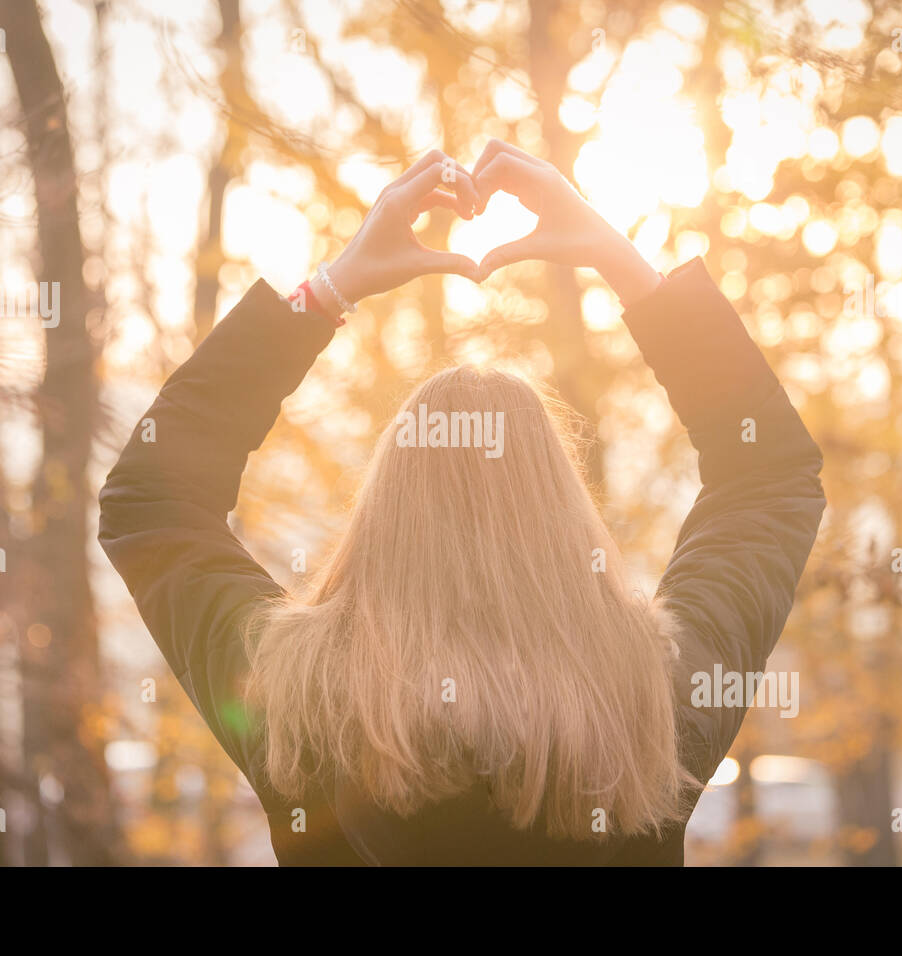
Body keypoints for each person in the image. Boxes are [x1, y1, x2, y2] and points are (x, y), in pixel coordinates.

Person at [98, 141, 826, 865]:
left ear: (386, 518)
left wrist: (327, 290)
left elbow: (153, 505)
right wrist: (620, 262)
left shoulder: (298, 699)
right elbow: (767, 476)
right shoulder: (656, 696)